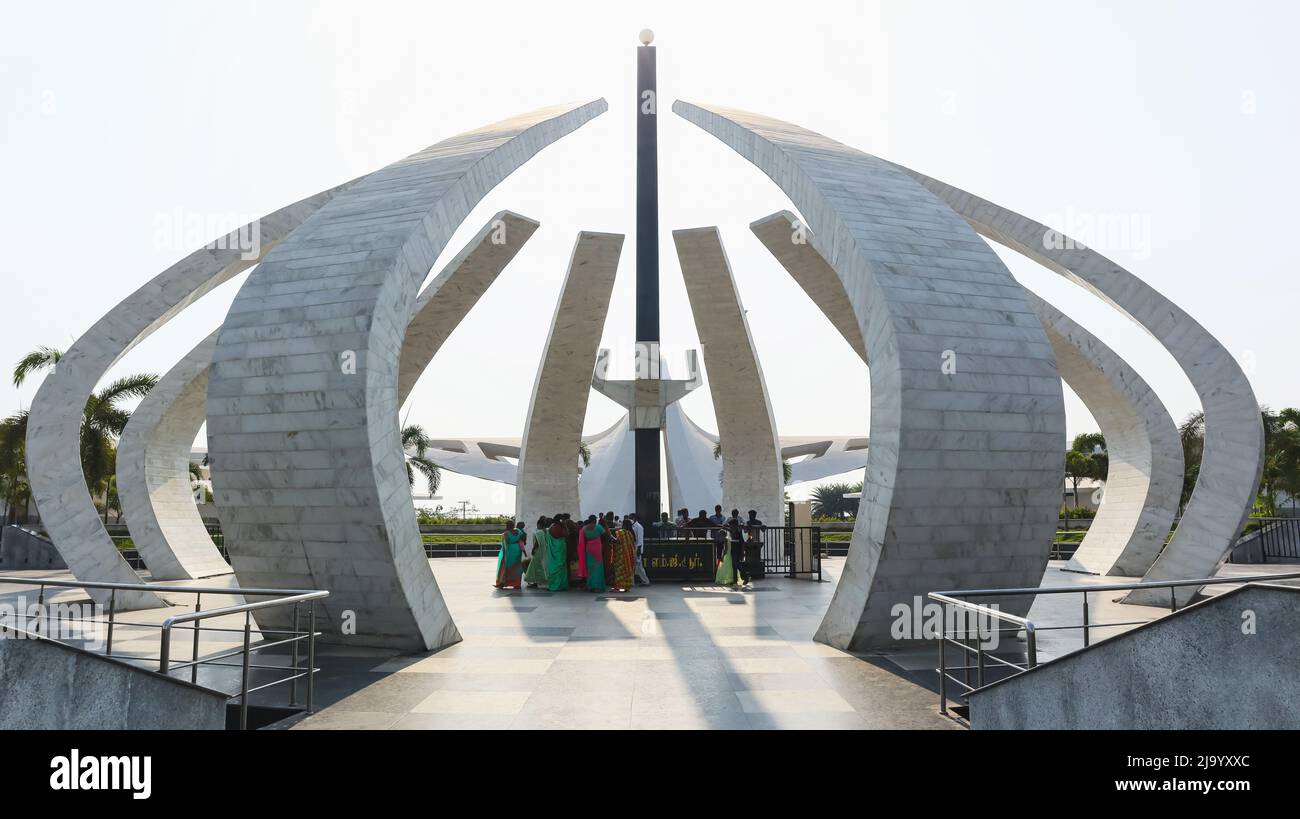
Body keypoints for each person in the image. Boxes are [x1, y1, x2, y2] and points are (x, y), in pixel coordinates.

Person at [494, 519, 525, 590]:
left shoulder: (506, 534)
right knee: (516, 567)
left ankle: (502, 583)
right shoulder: (519, 531)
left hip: (509, 551)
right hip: (517, 550)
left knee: (505, 567)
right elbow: (522, 540)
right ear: (513, 525)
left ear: (507, 526)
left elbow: (505, 544)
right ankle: (516, 584)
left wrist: (504, 554)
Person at [578, 515, 606, 592]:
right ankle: (597, 586)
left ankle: (590, 586)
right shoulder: (598, 527)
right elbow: (605, 534)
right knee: (598, 567)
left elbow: (582, 540)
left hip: (588, 548)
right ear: (594, 520)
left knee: (590, 567)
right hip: (597, 548)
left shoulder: (584, 528)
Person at [610, 518, 637, 592]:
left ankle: (617, 587)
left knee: (619, 571)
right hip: (629, 555)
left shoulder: (621, 532)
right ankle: (626, 587)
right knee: (627, 571)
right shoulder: (630, 533)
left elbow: (617, 541)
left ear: (624, 525)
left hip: (620, 555)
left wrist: (611, 536)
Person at [523, 516, 549, 588]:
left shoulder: (539, 532)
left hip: (538, 551)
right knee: (541, 566)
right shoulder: (546, 531)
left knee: (534, 567)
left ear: (539, 525)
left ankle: (535, 582)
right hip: (544, 551)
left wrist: (533, 550)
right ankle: (542, 580)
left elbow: (537, 543)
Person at [726, 508, 750, 586]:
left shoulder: (738, 532)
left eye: (731, 525)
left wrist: (742, 552)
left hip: (737, 549)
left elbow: (742, 542)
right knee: (734, 565)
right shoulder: (732, 530)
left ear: (735, 525)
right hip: (733, 548)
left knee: (737, 564)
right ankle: (735, 580)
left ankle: (745, 576)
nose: (730, 527)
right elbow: (725, 527)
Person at [546, 514, 569, 592]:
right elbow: (566, 534)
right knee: (560, 566)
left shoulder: (551, 526)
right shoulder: (558, 527)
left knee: (554, 566)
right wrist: (565, 526)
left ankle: (554, 585)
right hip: (558, 548)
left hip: (553, 549)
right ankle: (558, 585)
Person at [745, 509, 766, 583]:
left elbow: (763, 530)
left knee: (757, 555)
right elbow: (745, 531)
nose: (751, 516)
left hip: (757, 540)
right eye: (750, 515)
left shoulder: (758, 522)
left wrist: (763, 526)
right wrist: (747, 527)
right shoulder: (748, 522)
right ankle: (749, 571)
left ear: (755, 515)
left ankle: (757, 571)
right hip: (750, 540)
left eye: (752, 515)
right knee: (748, 556)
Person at [630, 513, 650, 586]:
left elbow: (640, 539)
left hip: (637, 548)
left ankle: (645, 581)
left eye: (631, 518)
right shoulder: (632, 526)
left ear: (634, 518)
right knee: (633, 566)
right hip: (633, 548)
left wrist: (639, 549)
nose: (630, 519)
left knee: (639, 566)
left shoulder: (639, 527)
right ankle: (632, 582)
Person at [564, 514, 582, 585]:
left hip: (568, 547)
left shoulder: (565, 524)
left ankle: (570, 579)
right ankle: (575, 579)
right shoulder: (572, 524)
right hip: (573, 547)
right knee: (574, 563)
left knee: (569, 563)